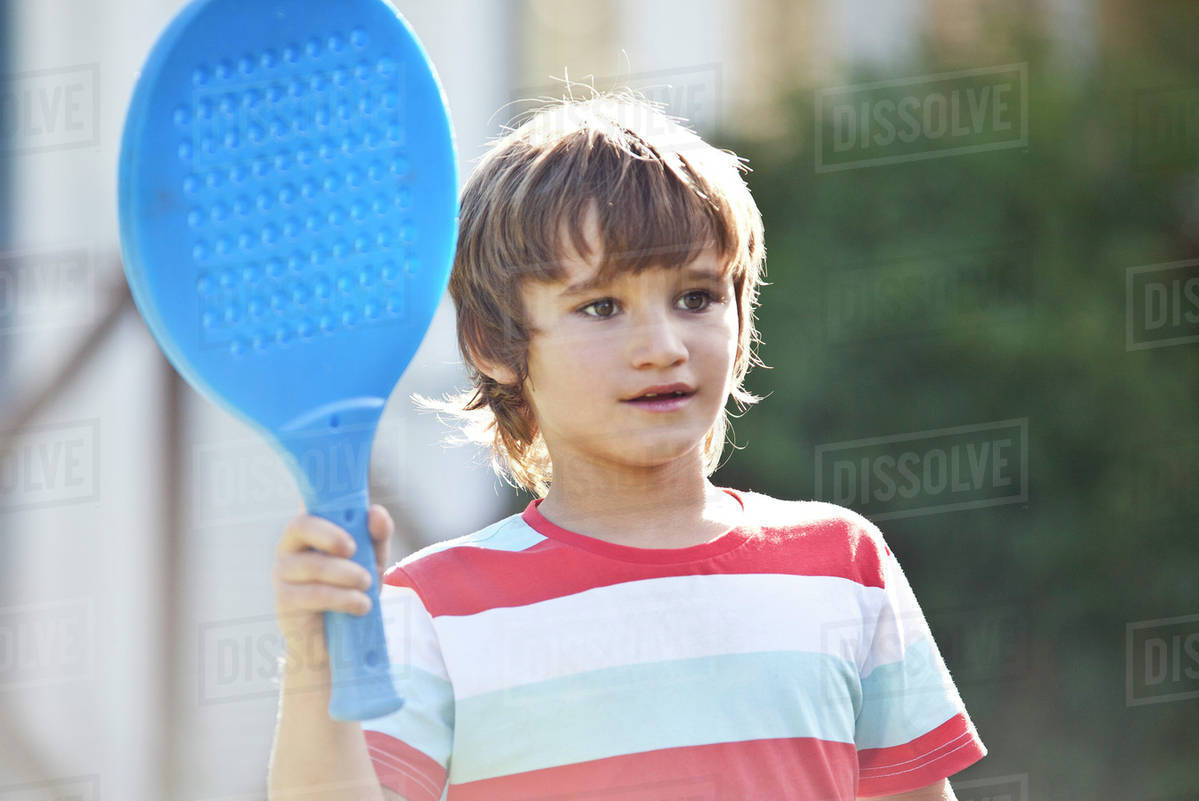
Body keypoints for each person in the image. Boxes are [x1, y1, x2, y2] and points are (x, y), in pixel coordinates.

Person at [267, 89, 987, 801]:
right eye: (601, 307)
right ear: (493, 343)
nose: (663, 347)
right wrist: (314, 665)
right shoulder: (434, 606)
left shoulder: (844, 566)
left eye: (697, 297)